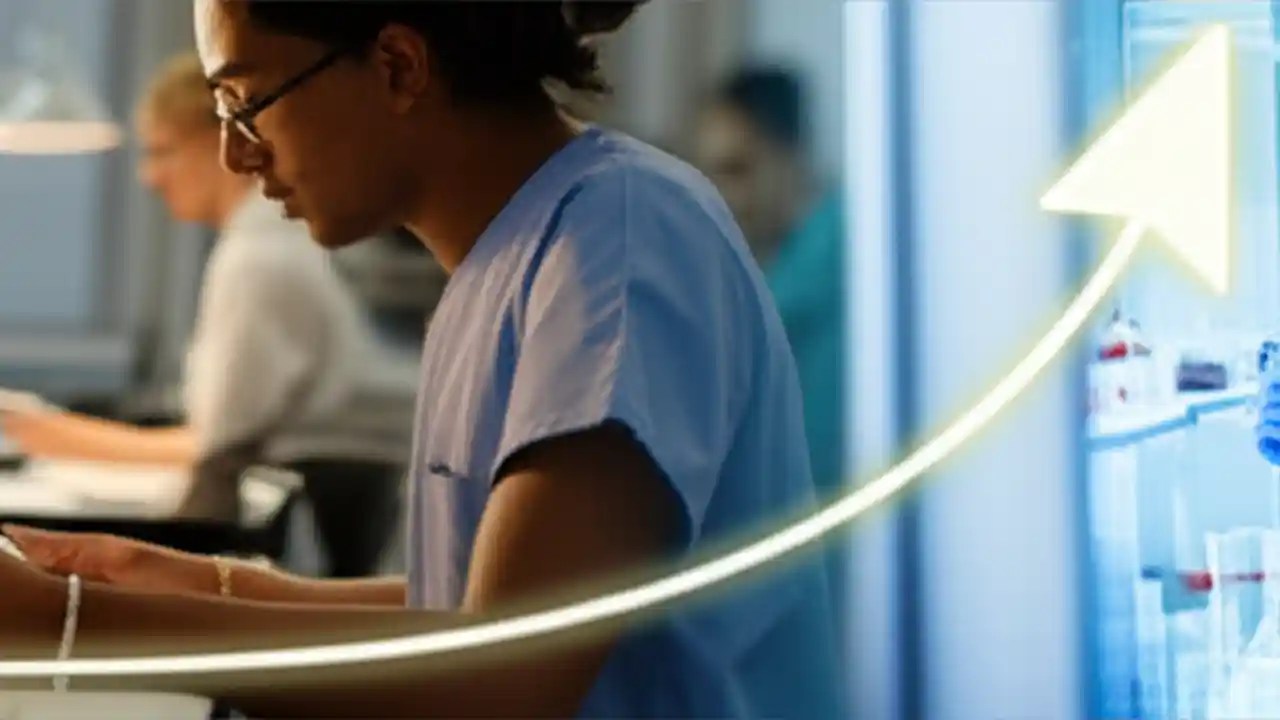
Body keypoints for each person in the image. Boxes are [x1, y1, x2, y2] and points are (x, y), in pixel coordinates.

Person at [0, 3, 845, 718]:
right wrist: (194, 585)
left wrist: (72, 625)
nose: (235, 152)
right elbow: (475, 601)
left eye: (245, 101)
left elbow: (508, 669)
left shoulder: (616, 241)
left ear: (400, 66)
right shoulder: (508, 257)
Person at [0, 53, 414, 578]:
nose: (149, 177)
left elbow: (212, 447)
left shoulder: (259, 259)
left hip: (281, 537)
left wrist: (43, 431)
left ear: (220, 140)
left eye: (162, 151)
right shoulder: (259, 244)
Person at [694, 65, 848, 625]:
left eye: (739, 170)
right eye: (711, 175)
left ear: (793, 156)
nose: (725, 198)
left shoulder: (841, 274)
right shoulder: (774, 280)